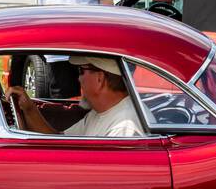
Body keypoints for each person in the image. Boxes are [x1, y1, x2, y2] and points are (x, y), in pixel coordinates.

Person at [8, 55, 143, 138]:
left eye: (81, 71)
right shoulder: (101, 113)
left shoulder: (124, 128)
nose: (78, 79)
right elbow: (59, 139)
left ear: (100, 78)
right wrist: (29, 108)